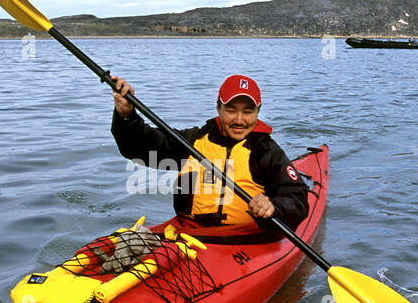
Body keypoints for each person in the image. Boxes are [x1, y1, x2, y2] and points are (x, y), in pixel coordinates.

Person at [110, 73, 309, 230]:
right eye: (231, 110)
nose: (239, 120)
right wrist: (127, 115)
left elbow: (297, 200)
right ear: (218, 107)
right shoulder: (193, 141)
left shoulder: (267, 153)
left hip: (244, 238)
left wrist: (273, 207)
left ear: (258, 112)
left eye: (248, 112)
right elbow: (137, 148)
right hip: (187, 232)